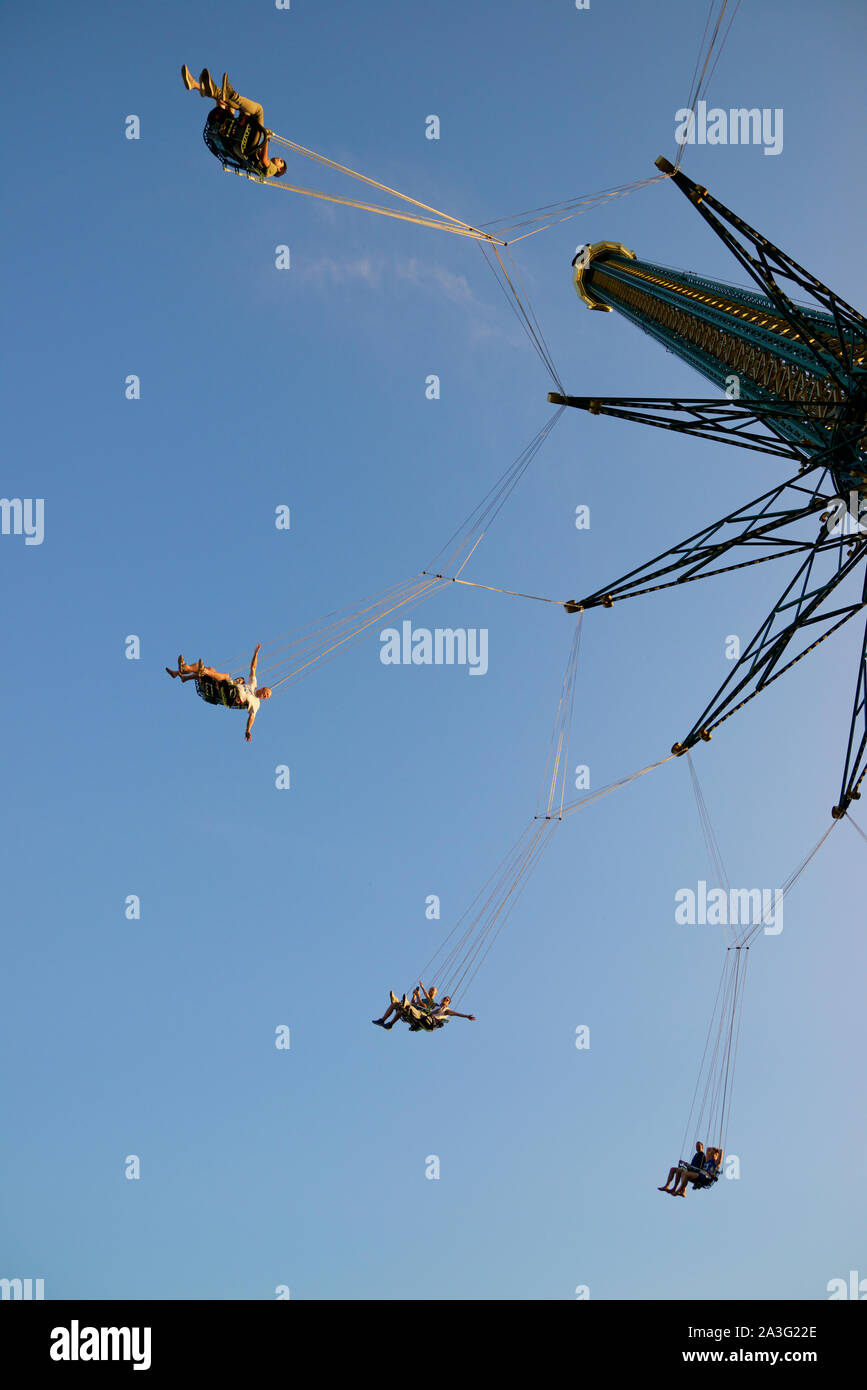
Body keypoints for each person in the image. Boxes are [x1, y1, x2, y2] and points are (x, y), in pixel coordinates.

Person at [182, 65, 287, 178]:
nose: (278, 158)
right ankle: (196, 85)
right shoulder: (259, 168)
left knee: (258, 110)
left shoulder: (272, 170)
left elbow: (264, 159)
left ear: (279, 169)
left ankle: (231, 94)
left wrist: (266, 138)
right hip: (239, 146)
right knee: (234, 107)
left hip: (248, 146)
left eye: (280, 161)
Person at [166, 643, 272, 741]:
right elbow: (253, 668)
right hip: (228, 687)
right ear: (263, 688)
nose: (265, 696)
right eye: (266, 693)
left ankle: (194, 671)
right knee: (211, 669)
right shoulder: (253, 684)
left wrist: (248, 730)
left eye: (267, 697)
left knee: (225, 675)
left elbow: (251, 717)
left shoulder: (256, 704)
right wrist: (256, 653)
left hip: (231, 696)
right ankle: (182, 671)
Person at [372, 986, 476, 1031]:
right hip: (421, 1014)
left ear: (448, 1004)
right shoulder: (435, 1005)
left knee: (409, 1008)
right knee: (397, 1006)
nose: (445, 1000)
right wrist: (416, 995)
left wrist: (466, 1016)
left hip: (427, 1020)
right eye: (445, 998)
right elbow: (424, 1001)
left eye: (447, 1000)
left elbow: (456, 1014)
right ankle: (384, 1021)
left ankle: (404, 1004)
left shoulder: (446, 1010)